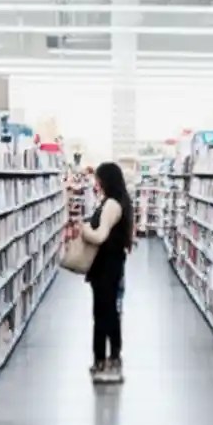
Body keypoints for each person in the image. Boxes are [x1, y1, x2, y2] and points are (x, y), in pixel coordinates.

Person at [81, 162, 134, 383]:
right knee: (109, 312)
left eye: (99, 178)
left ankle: (105, 360)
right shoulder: (120, 201)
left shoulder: (111, 204)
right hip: (111, 265)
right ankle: (108, 359)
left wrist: (84, 228)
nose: (96, 182)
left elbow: (100, 236)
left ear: (106, 180)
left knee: (104, 314)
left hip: (105, 267)